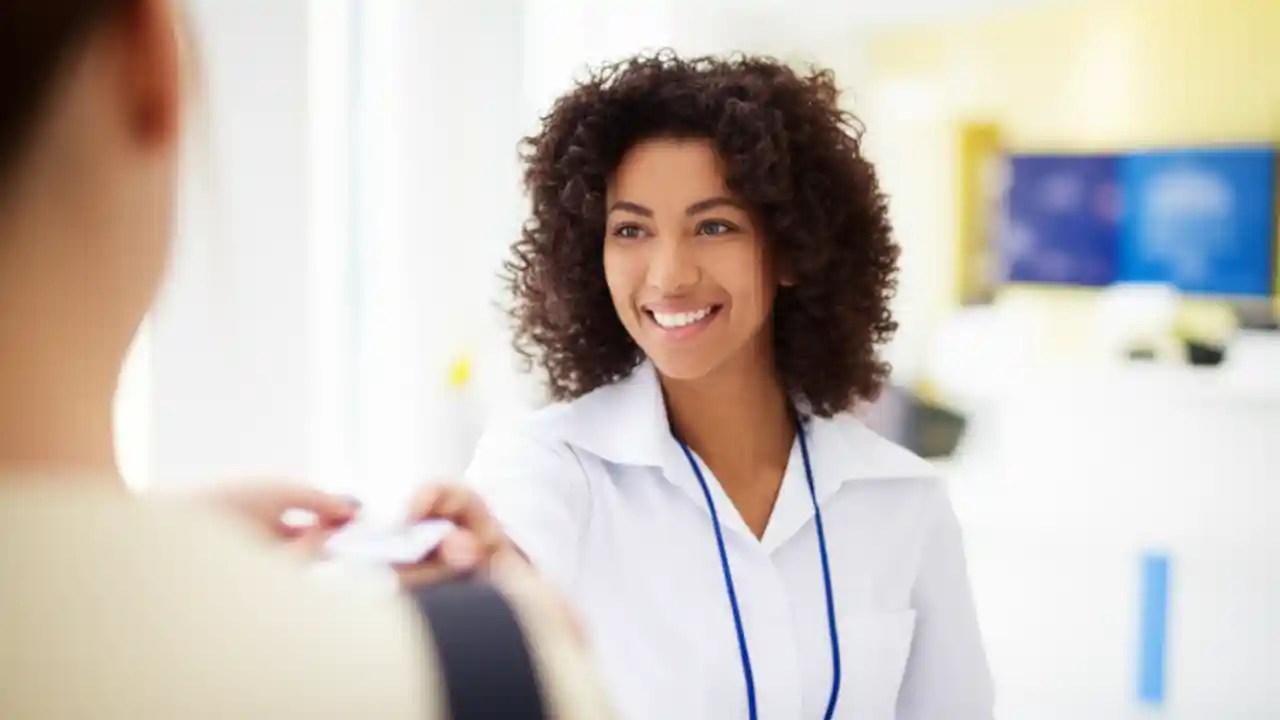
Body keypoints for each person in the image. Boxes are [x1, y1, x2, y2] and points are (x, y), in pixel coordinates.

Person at [0, 2, 611, 717]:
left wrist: (148, 540)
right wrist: (528, 649)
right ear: (147, 64)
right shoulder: (467, 678)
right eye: (630, 229)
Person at [424, 52, 995, 719]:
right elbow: (499, 583)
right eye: (631, 230)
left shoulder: (902, 500)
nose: (667, 276)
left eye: (714, 226)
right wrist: (479, 579)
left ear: (788, 248)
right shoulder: (552, 468)